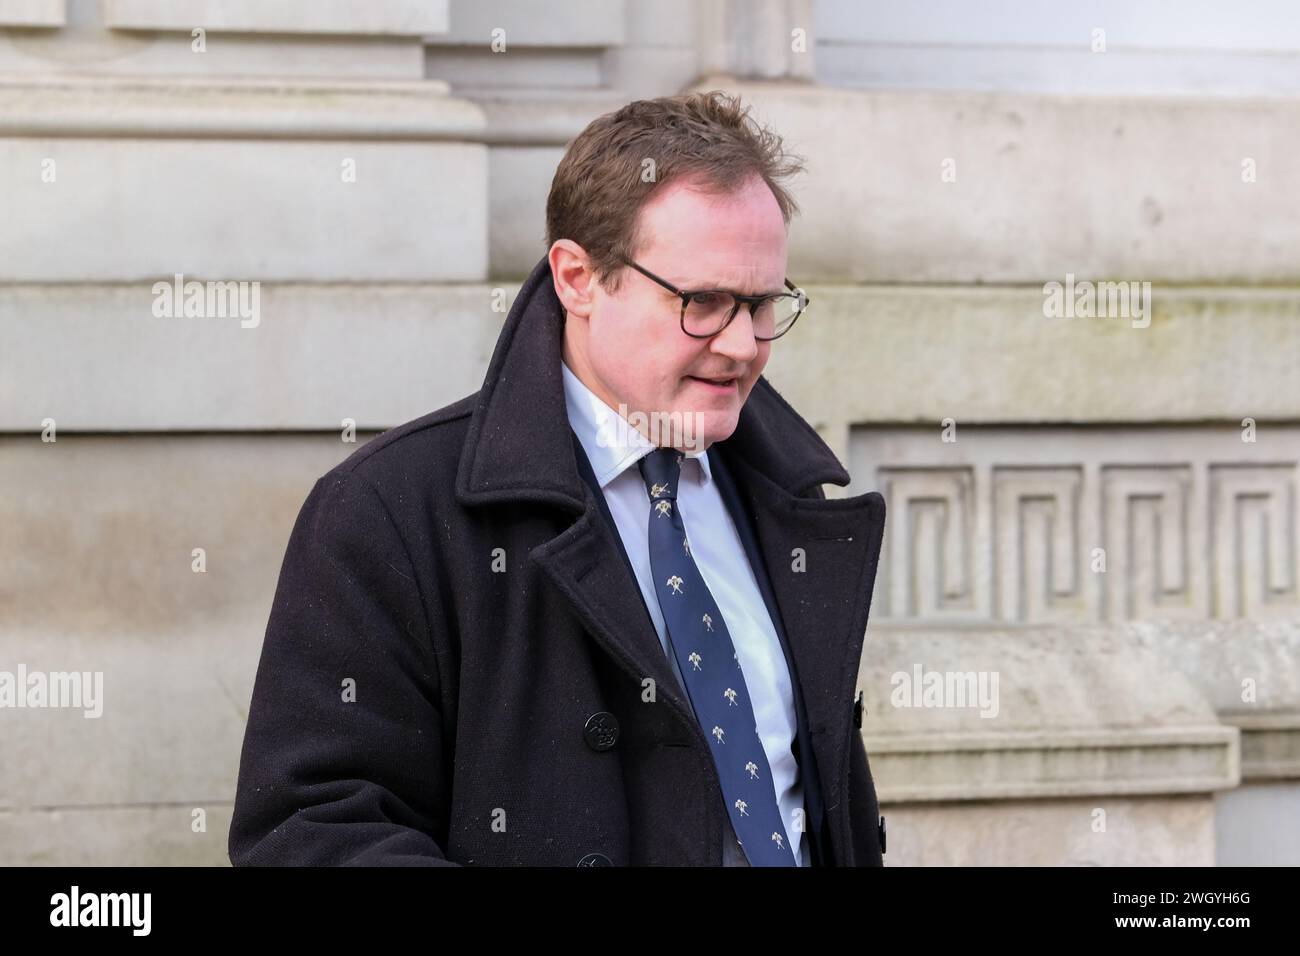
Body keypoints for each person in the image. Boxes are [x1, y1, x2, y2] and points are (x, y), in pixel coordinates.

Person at [228, 90, 887, 866]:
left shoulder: (785, 496)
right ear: (577, 277)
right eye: (704, 303)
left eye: (763, 303)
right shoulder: (390, 511)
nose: (743, 345)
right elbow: (313, 831)